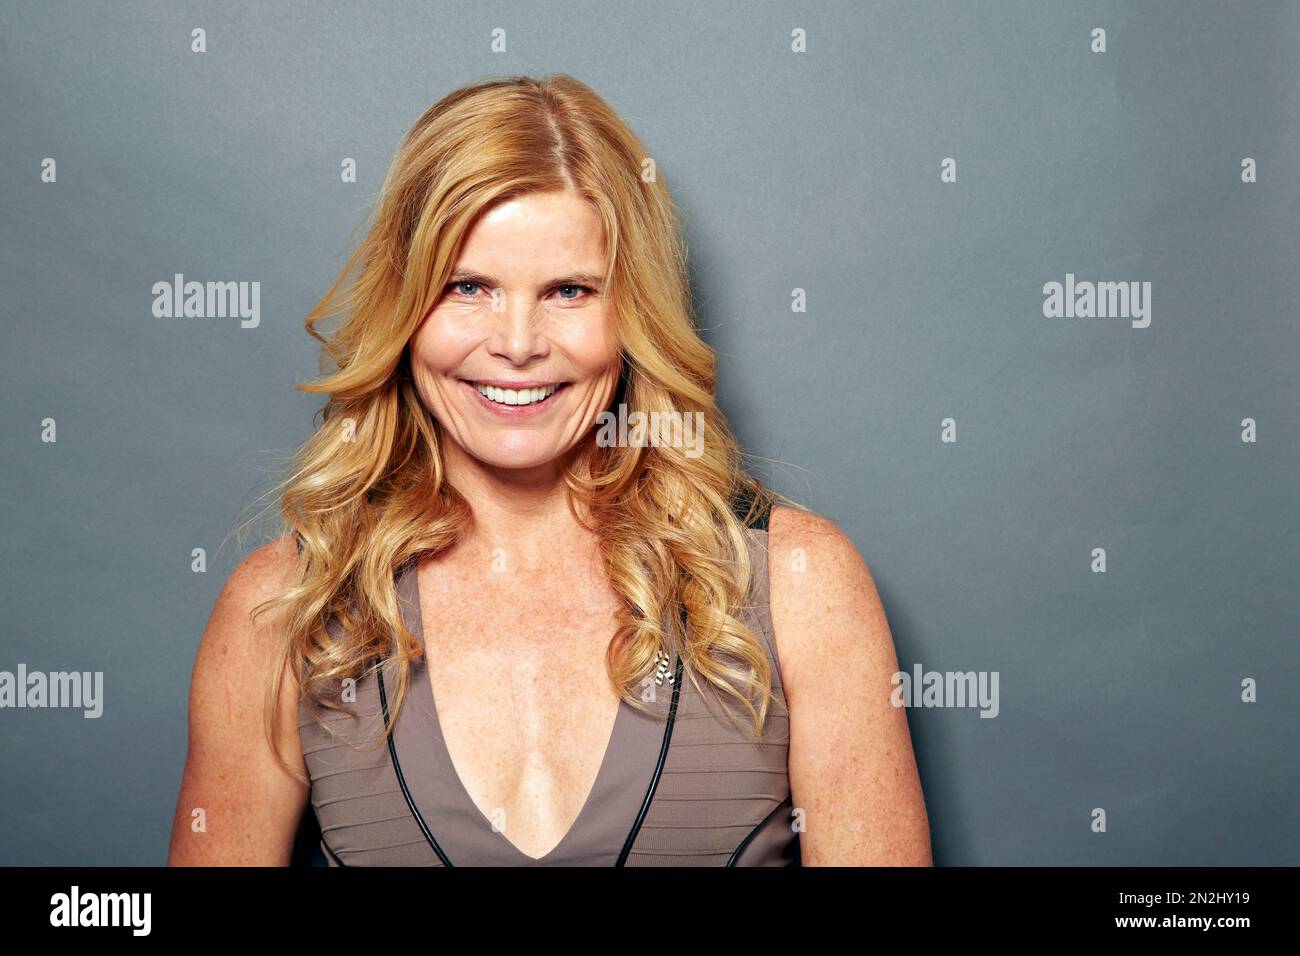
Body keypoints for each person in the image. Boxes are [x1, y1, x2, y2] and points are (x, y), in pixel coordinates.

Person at [167, 73, 931, 866]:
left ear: (633, 314)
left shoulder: (803, 587)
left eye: (569, 290)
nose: (519, 342)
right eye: (468, 287)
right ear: (404, 308)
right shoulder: (284, 609)